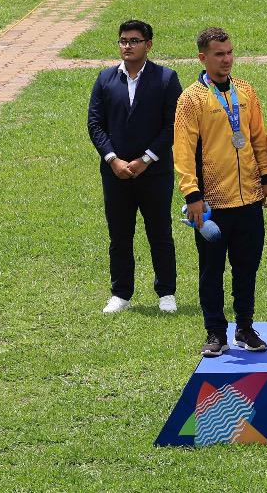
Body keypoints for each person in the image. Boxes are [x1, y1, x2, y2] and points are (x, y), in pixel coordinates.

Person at [175, 27, 267, 358]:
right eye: (219, 54)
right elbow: (184, 151)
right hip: (212, 204)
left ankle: (245, 328)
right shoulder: (191, 99)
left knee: (247, 268)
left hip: (248, 199)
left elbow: (258, 138)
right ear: (203, 57)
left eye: (230, 52)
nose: (227, 59)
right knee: (211, 271)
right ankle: (216, 333)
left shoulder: (246, 92)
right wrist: (192, 194)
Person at [86, 19, 183, 316]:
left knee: (159, 232)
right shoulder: (105, 79)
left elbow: (172, 125)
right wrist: (112, 159)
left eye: (134, 41)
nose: (127, 46)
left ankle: (166, 292)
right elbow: (95, 124)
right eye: (123, 41)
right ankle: (121, 293)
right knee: (120, 234)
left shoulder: (166, 79)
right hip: (116, 173)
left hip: (154, 172)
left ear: (148, 45)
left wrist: (146, 159)